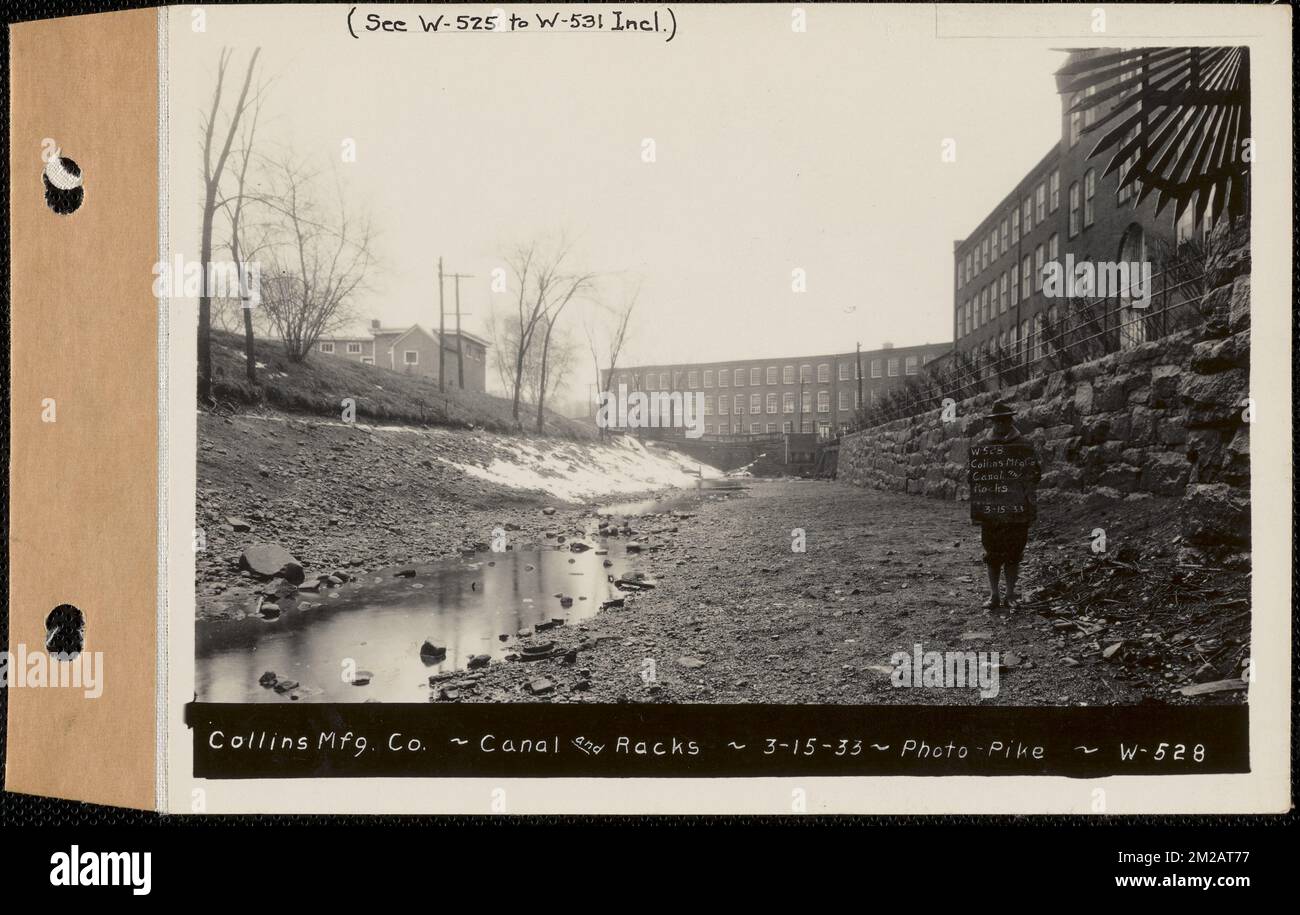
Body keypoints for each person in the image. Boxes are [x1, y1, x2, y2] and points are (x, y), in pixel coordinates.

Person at [973, 402, 1041, 610]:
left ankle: (1010, 594)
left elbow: (1035, 474)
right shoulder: (982, 446)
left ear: (1011, 420)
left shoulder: (1023, 445)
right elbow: (973, 477)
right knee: (992, 553)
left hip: (1016, 509)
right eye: (997, 421)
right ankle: (994, 595)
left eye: (1004, 420)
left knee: (1014, 552)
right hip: (991, 510)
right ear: (992, 422)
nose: (1000, 424)